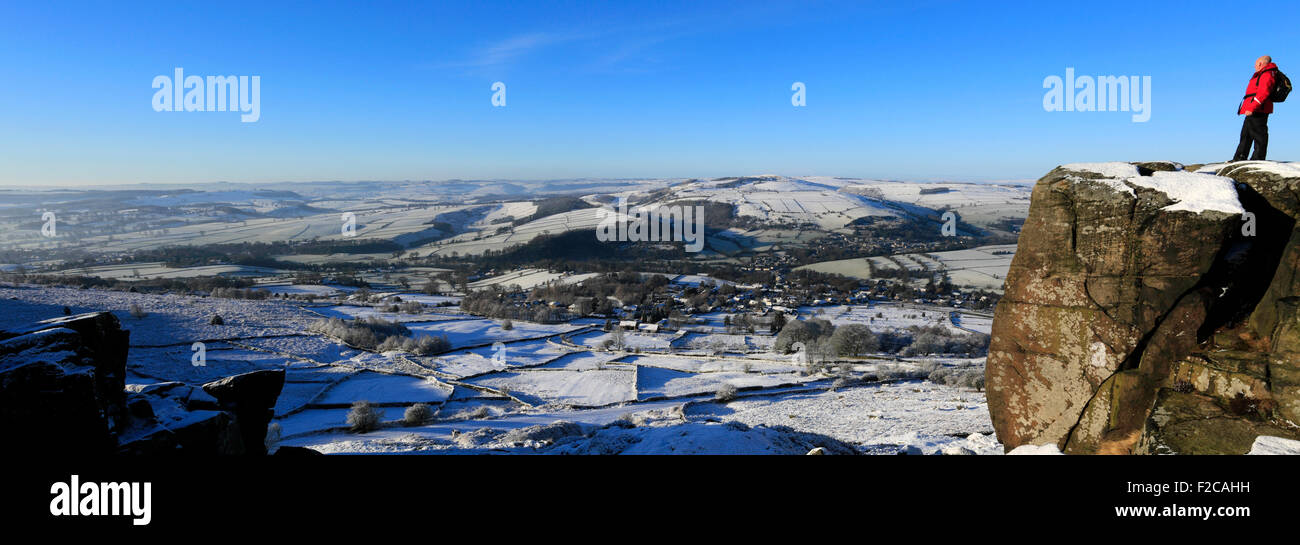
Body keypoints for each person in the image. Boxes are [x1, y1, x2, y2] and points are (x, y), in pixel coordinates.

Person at [1233, 55, 1280, 161]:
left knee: (1259, 134)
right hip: (1253, 108)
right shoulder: (1264, 73)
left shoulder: (1267, 74)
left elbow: (1263, 92)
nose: (1254, 67)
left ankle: (1258, 158)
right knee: (1246, 134)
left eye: (1255, 64)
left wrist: (1253, 107)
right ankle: (1240, 157)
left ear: (1260, 64)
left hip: (1258, 109)